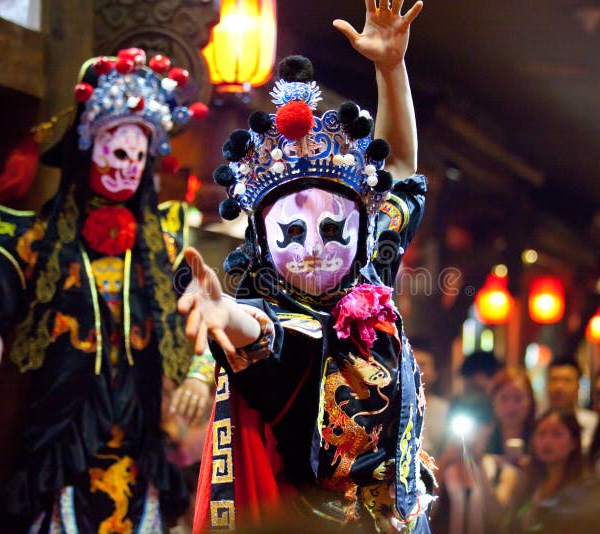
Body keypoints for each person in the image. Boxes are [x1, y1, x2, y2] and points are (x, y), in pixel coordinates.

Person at [0, 49, 214, 531]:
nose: (128, 167)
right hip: (57, 443)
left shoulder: (162, 246)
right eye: (118, 152)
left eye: (139, 157)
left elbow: (205, 316)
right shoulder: (40, 240)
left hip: (141, 446)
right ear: (87, 147)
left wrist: (200, 375)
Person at [182, 2, 431, 532]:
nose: (314, 244)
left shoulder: (370, 278)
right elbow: (255, 330)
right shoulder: (279, 325)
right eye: (293, 232)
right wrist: (221, 309)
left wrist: (390, 67)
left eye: (332, 227)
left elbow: (401, 168)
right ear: (264, 244)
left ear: (361, 230)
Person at [432, 395, 521, 533]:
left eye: (478, 424)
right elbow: (423, 512)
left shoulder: (502, 470)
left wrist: (477, 461)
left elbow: (496, 519)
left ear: (490, 427)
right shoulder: (441, 468)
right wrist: (445, 459)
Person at [515, 410, 584, 532]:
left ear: (573, 442)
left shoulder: (582, 488)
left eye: (557, 434)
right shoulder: (529, 483)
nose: (547, 442)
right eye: (541, 434)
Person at [544, 356, 598, 453]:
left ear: (578, 386)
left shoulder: (593, 423)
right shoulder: (539, 423)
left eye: (566, 381)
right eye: (554, 380)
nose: (559, 387)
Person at [487, 367, 536, 467]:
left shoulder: (540, 436)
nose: (511, 406)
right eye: (504, 398)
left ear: (530, 401)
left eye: (518, 398)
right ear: (493, 401)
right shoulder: (483, 436)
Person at [410, 338, 449, 458]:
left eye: (422, 365)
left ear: (435, 372)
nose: (416, 370)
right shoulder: (392, 406)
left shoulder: (445, 410)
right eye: (411, 364)